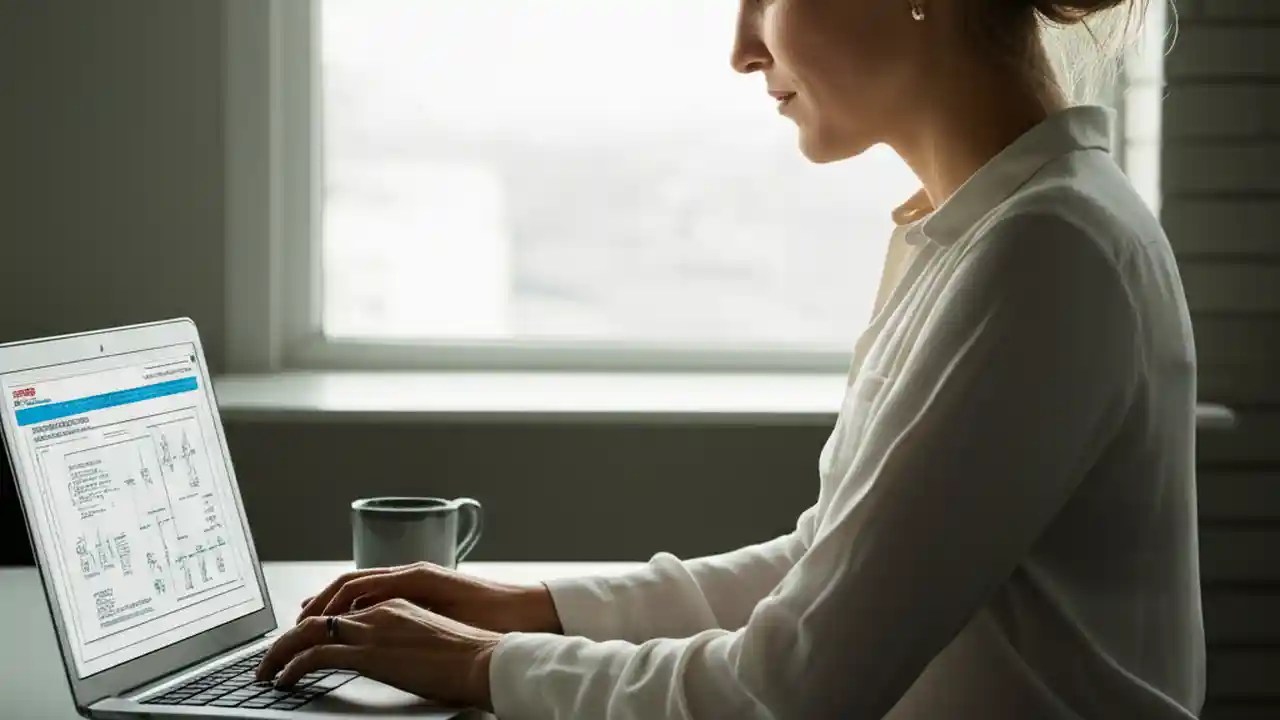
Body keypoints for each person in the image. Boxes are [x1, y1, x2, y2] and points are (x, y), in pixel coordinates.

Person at [257, 0, 1206, 717]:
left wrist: (475, 664)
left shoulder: (1047, 250)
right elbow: (826, 569)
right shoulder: (997, 229)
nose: (743, 47)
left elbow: (792, 688)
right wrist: (527, 608)